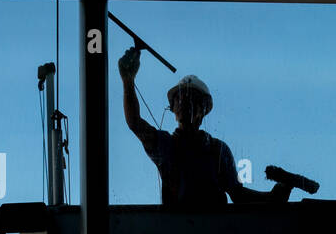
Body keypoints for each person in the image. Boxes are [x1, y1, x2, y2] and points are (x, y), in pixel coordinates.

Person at [118, 46, 290, 207]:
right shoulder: (166, 145)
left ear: (204, 110)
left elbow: (238, 195)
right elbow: (134, 122)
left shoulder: (218, 149)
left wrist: (272, 197)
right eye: (180, 99)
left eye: (193, 100)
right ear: (173, 109)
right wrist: (128, 81)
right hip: (178, 231)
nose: (185, 103)